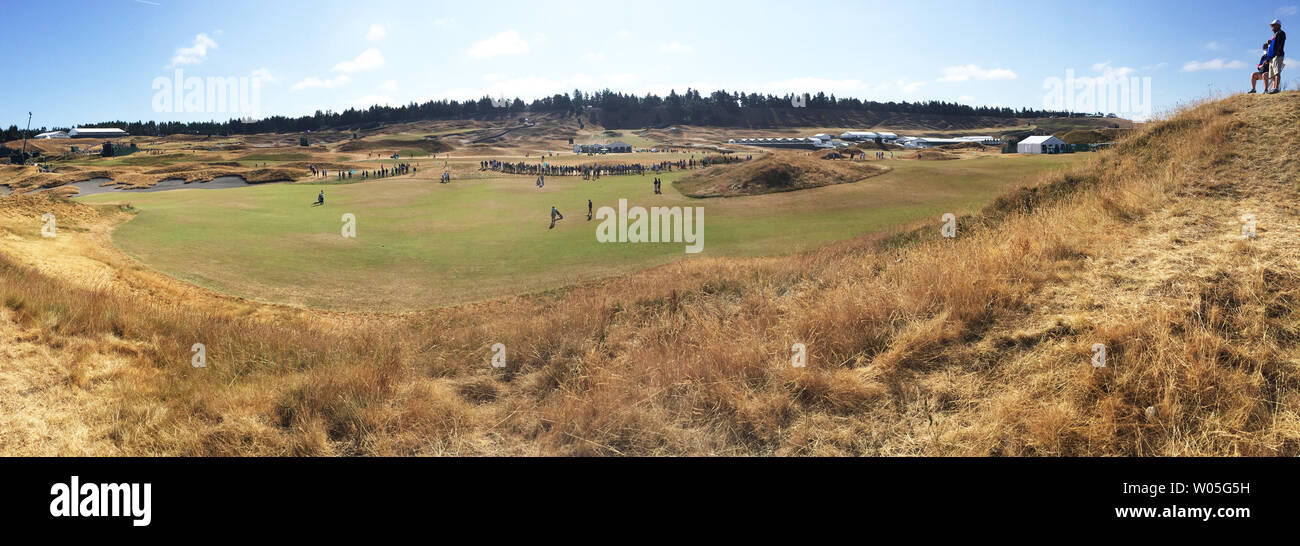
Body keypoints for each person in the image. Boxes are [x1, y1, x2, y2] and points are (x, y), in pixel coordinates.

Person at [1265, 19, 1287, 94]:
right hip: (1272, 57)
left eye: (1273, 25)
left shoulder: (1281, 33)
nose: (1272, 27)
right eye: (1272, 26)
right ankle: (1274, 89)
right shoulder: (1274, 35)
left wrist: (1277, 54)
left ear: (1278, 25)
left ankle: (1276, 88)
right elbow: (1273, 45)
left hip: (1277, 55)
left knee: (1277, 72)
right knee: (1273, 75)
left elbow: (1279, 45)